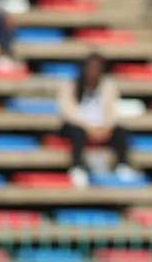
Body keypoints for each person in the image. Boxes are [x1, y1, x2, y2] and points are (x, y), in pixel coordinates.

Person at [57, 53, 136, 188]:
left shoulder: (108, 86)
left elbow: (112, 109)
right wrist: (89, 128)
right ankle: (77, 167)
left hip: (102, 126)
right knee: (77, 133)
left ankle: (123, 165)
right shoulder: (71, 85)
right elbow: (68, 111)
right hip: (80, 126)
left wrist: (106, 127)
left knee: (121, 132)